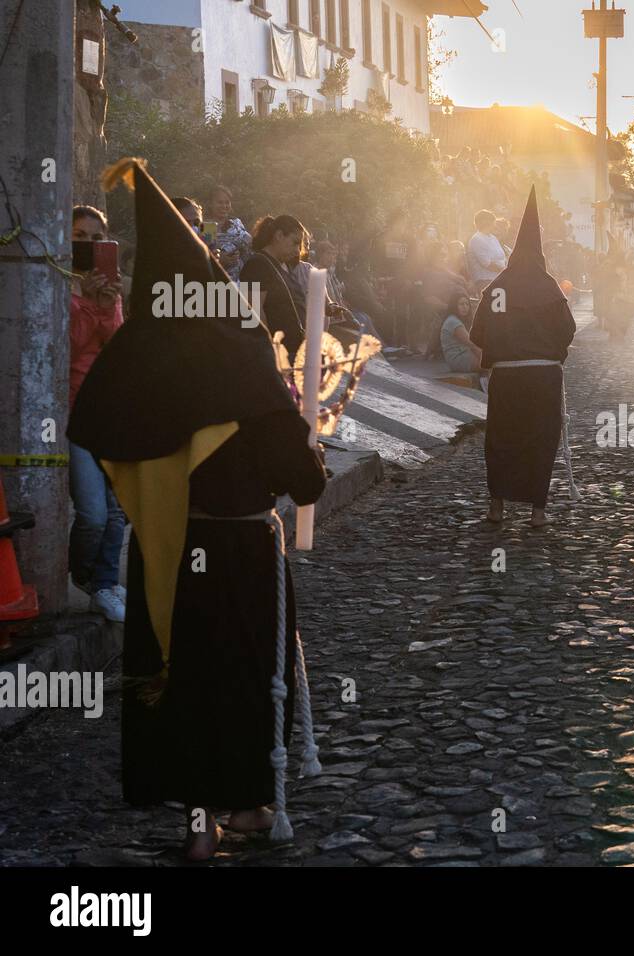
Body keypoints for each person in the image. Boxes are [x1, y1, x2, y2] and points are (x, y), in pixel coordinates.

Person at [68, 159, 327, 862]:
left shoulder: (139, 366)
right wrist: (309, 446)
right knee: (240, 676)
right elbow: (302, 484)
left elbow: (96, 424)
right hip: (242, 556)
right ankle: (247, 805)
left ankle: (195, 823)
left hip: (166, 553)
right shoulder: (243, 359)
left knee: (181, 678)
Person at [470, 188, 577, 527]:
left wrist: (500, 350)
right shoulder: (549, 287)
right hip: (543, 377)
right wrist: (554, 354)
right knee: (539, 439)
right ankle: (537, 511)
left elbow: (478, 333)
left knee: (503, 438)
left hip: (508, 377)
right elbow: (567, 329)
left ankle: (497, 507)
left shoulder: (498, 287)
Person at [69, 204, 127, 622]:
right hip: (73, 414)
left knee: (117, 511)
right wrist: (90, 304)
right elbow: (66, 346)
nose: (87, 245)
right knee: (92, 513)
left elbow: (118, 350)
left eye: (95, 238)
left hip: (109, 410)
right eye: (80, 237)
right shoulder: (56, 282)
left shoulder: (107, 292)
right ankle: (84, 576)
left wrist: (107, 305)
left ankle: (104, 584)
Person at [239, 214, 309, 357]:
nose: (298, 250)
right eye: (295, 242)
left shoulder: (279, 266)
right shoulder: (258, 264)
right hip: (276, 355)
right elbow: (253, 313)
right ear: (279, 235)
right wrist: (271, 351)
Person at [209, 185, 252, 280]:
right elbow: (206, 253)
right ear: (210, 204)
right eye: (219, 202)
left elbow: (248, 245)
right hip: (215, 280)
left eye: (227, 202)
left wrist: (237, 253)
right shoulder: (206, 226)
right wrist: (220, 259)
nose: (224, 206)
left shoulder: (236, 223)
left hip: (238, 280)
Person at [467, 209, 507, 297]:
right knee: (492, 308)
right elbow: (487, 264)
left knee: (502, 308)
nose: (495, 224)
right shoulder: (476, 239)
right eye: (493, 221)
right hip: (485, 281)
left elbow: (502, 258)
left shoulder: (493, 238)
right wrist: (506, 271)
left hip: (499, 279)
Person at [440, 294, 483, 374]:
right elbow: (472, 344)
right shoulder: (453, 322)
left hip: (463, 354)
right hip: (459, 358)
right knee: (489, 364)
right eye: (461, 304)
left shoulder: (456, 319)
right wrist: (486, 357)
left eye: (467, 304)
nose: (465, 307)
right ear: (454, 306)